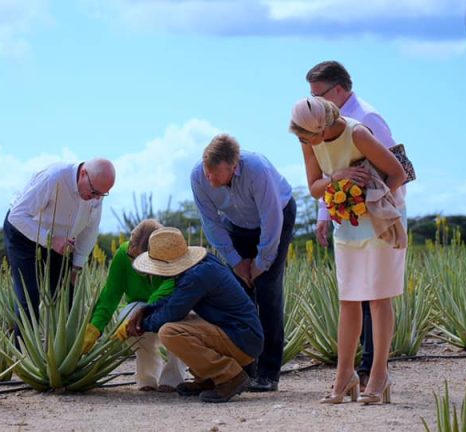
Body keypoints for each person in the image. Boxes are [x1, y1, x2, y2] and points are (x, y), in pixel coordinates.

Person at [290, 96, 406, 405]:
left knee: (379, 298)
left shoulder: (357, 134)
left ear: (324, 126)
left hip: (379, 221)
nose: (303, 141)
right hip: (347, 223)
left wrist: (371, 202)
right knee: (349, 300)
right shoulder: (308, 139)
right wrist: (336, 179)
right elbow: (314, 186)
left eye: (306, 136)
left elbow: (398, 174)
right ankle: (345, 375)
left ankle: (379, 375)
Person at [190, 134, 296, 392]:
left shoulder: (256, 169)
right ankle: (244, 369)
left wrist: (261, 263)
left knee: (267, 290)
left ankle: (269, 373)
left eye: (216, 174)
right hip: (235, 226)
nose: (210, 180)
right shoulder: (198, 176)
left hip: (275, 219)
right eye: (207, 172)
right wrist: (236, 262)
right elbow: (210, 222)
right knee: (238, 295)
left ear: (233, 167)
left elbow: (271, 219)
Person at [126, 227, 264, 403]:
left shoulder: (197, 275)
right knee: (181, 323)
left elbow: (171, 313)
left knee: (170, 331)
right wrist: (147, 310)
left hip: (241, 338)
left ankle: (229, 376)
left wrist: (141, 325)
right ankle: (208, 379)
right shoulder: (199, 267)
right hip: (239, 333)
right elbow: (175, 299)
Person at [3, 158, 115, 336]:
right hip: (25, 234)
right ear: (83, 173)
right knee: (29, 298)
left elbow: (89, 230)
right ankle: (22, 354)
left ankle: (60, 355)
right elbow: (17, 216)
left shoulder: (96, 193)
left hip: (62, 243)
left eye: (102, 194)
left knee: (66, 297)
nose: (96, 198)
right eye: (94, 192)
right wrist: (51, 239)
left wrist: (76, 267)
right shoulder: (52, 177)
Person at [81, 219, 188, 392]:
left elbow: (165, 292)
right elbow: (110, 294)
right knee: (126, 314)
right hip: (140, 306)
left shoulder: (171, 258)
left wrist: (142, 314)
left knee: (180, 320)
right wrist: (94, 328)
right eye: (132, 256)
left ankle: (174, 377)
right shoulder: (123, 254)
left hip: (169, 307)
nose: (134, 264)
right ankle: (148, 377)